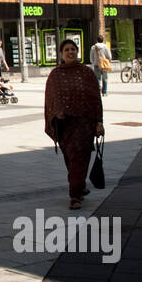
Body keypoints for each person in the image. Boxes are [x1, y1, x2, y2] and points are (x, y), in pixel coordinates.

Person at [44, 39, 105, 210]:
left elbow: (95, 99)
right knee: (71, 158)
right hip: (65, 125)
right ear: (61, 54)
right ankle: (80, 184)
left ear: (77, 51)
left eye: (73, 49)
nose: (70, 52)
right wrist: (57, 113)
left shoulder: (86, 73)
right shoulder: (55, 74)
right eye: (66, 50)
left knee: (80, 156)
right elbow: (51, 99)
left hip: (84, 124)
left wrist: (99, 121)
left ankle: (75, 195)